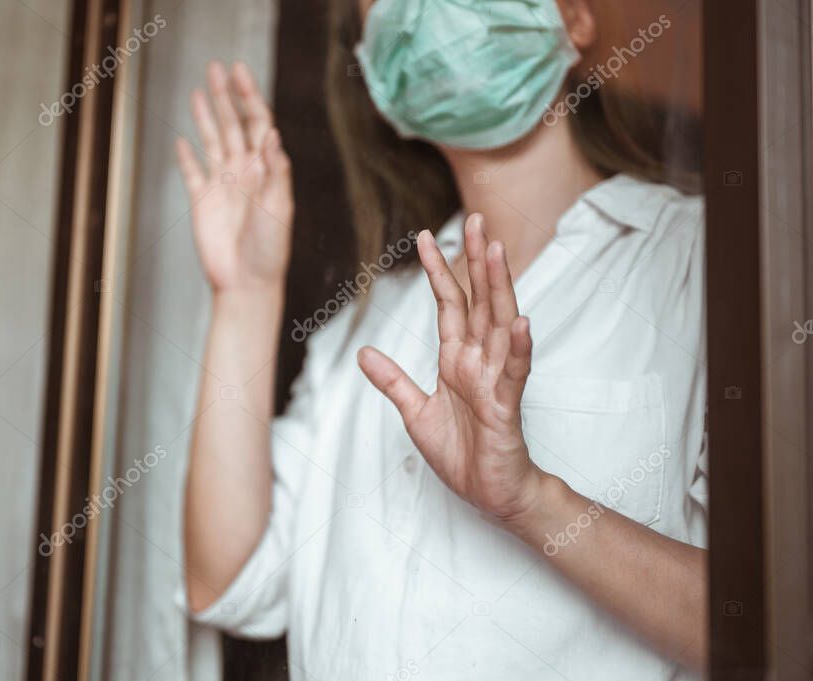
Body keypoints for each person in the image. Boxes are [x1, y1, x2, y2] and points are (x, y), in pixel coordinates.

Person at [174, 0, 707, 678]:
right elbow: (224, 579)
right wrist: (245, 295)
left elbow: (776, 625)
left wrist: (531, 500)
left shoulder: (712, 269)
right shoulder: (361, 329)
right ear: (374, 67)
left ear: (575, 17)